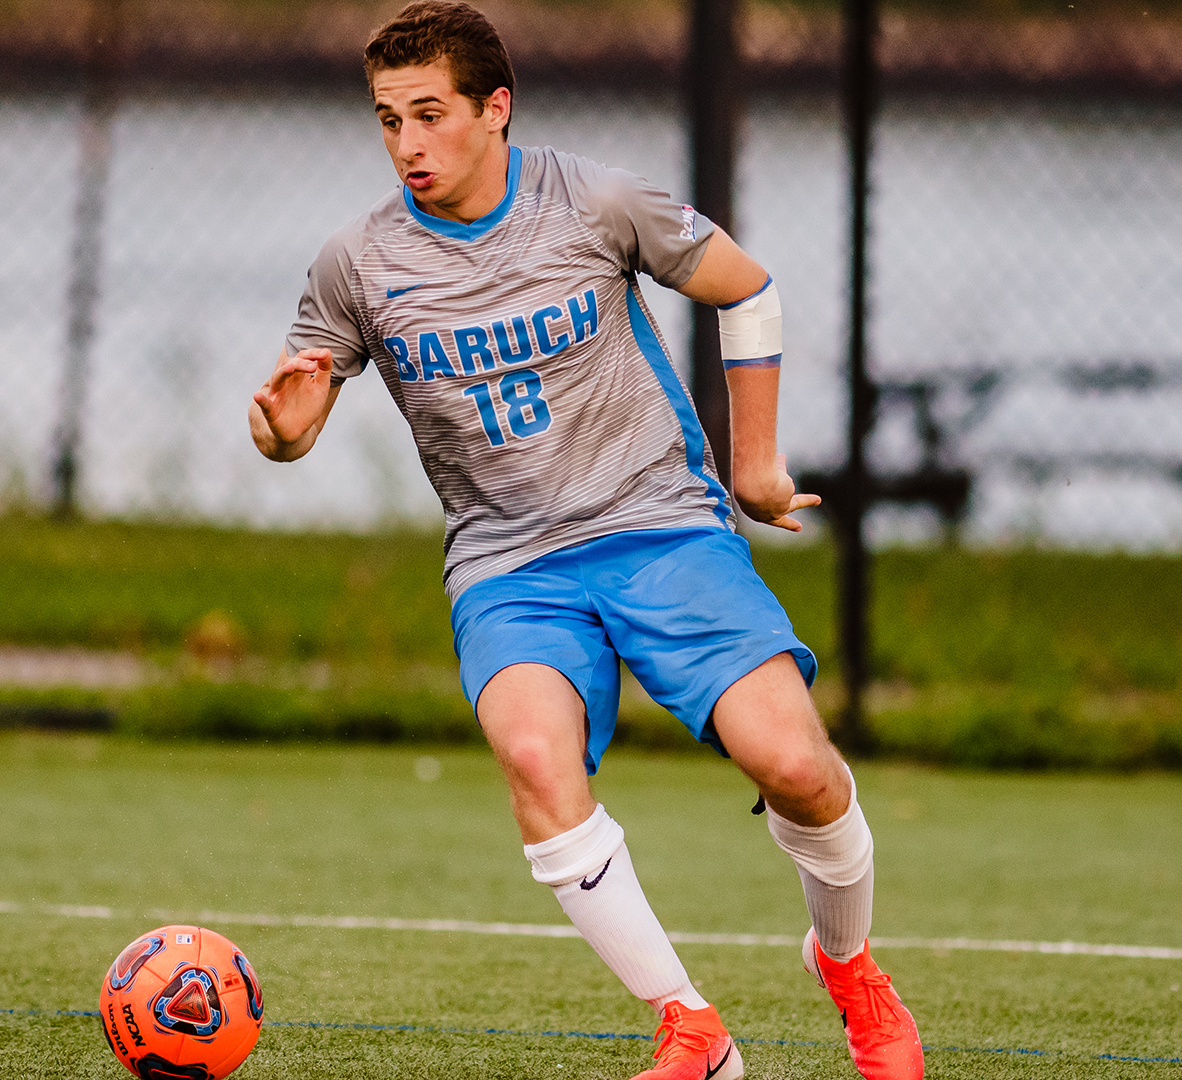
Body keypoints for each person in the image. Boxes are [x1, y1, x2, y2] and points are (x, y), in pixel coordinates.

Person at [248, 3, 923, 1077]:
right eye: (388, 119)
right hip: (507, 564)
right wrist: (281, 433)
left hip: (659, 525)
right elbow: (293, 421)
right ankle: (691, 1029)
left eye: (429, 114)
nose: (407, 142)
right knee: (533, 756)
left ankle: (849, 968)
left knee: (798, 768)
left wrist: (753, 464)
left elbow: (747, 291)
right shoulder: (358, 264)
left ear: (495, 109)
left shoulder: (594, 201)